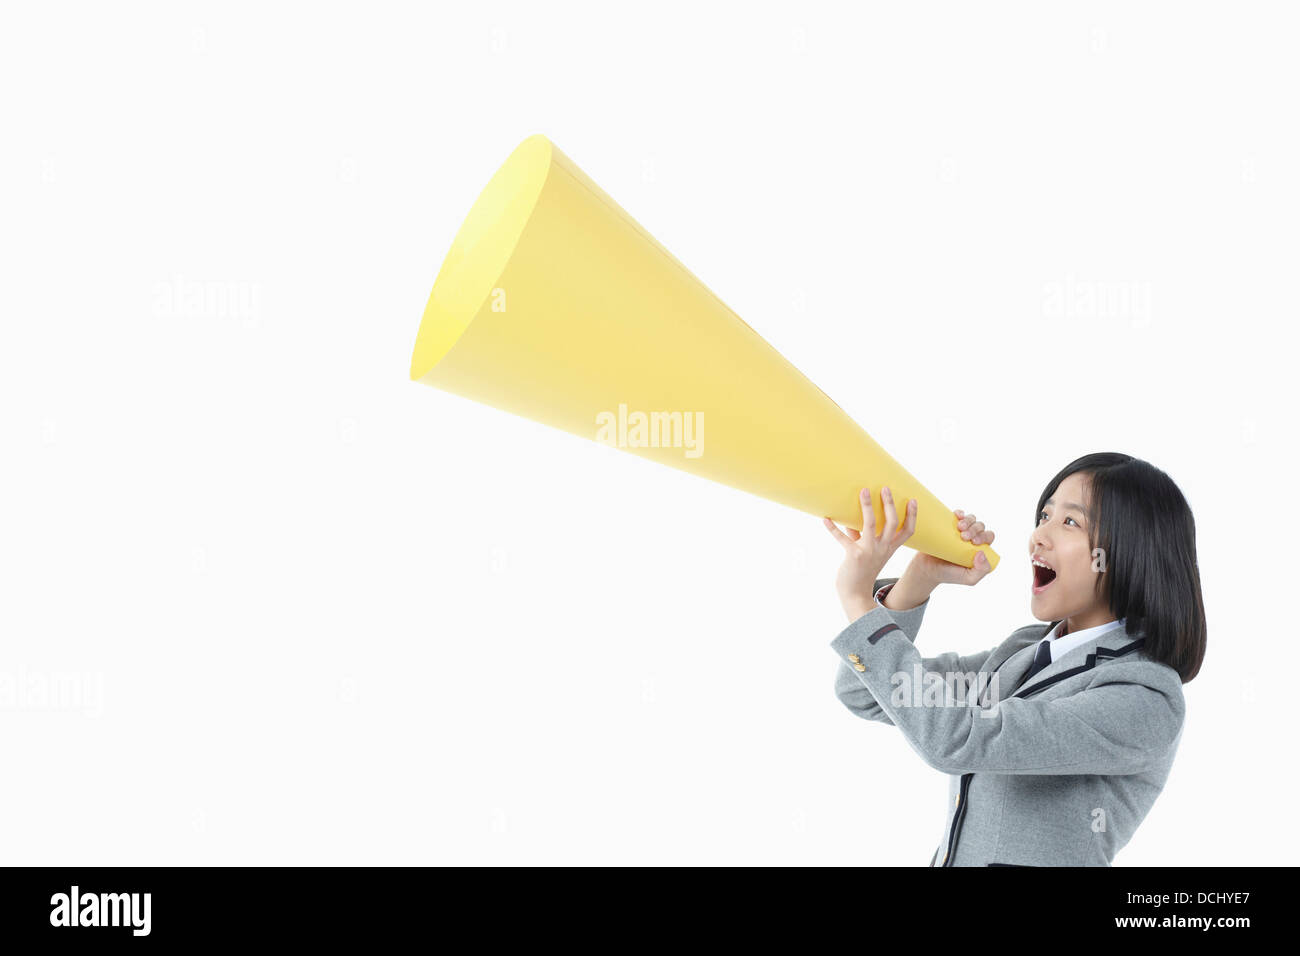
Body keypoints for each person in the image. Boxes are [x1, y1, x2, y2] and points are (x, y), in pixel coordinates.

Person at [822, 452, 1206, 866]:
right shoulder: (1023, 652)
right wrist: (919, 580)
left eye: (1070, 522)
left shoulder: (1144, 698)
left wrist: (859, 600)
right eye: (1044, 515)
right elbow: (864, 693)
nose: (1038, 536)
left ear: (1129, 553)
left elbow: (957, 739)